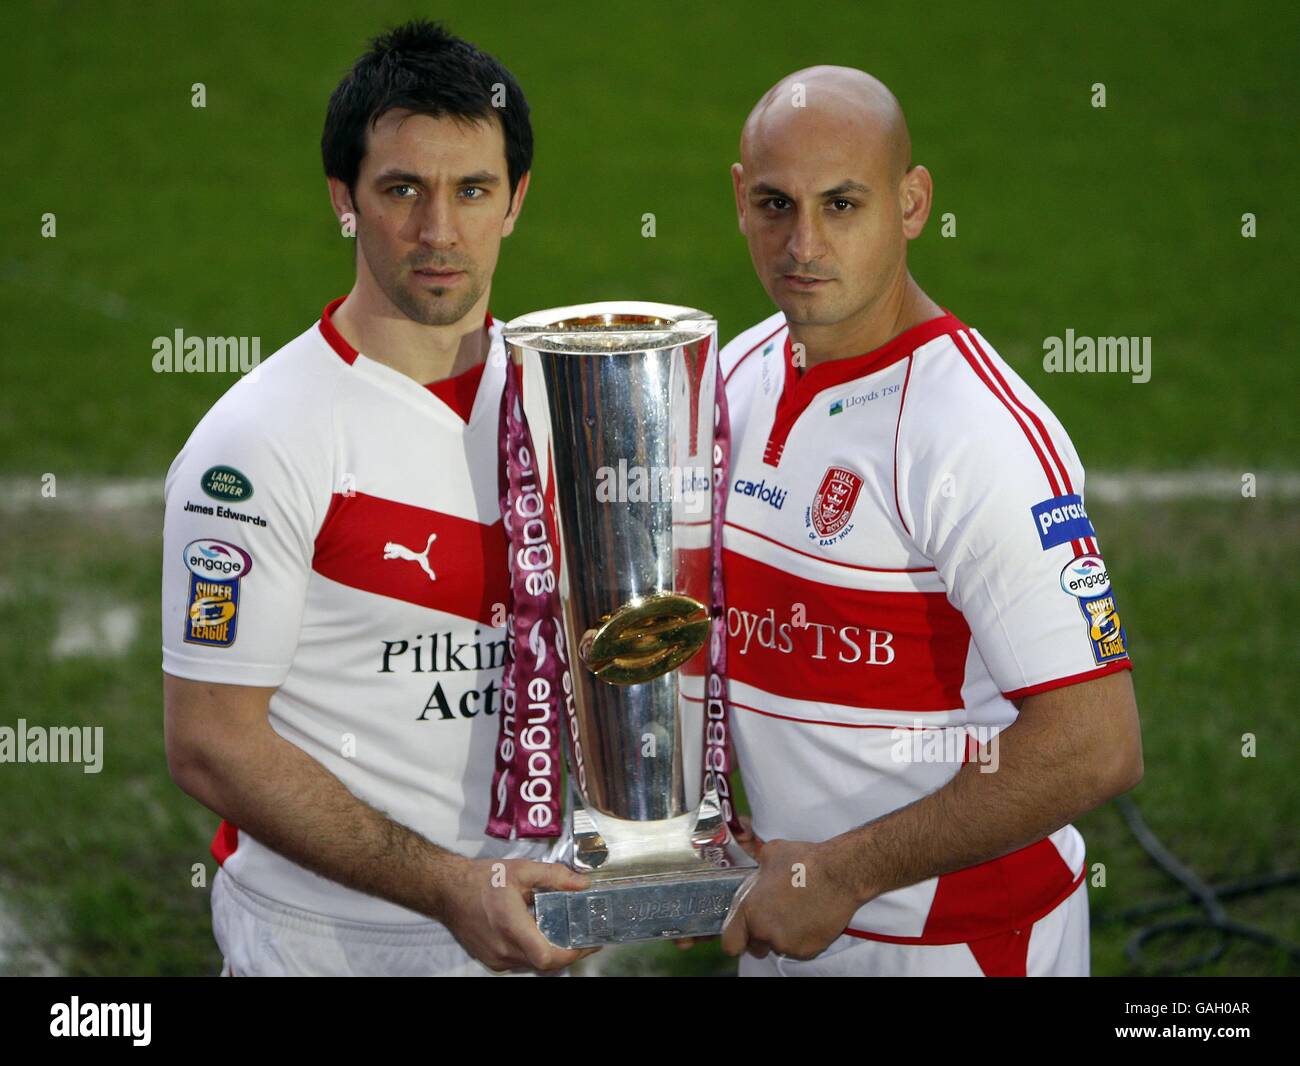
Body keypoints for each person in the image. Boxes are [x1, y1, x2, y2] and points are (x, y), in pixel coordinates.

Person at [161, 19, 591, 977]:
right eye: (402, 190)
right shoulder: (256, 442)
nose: (439, 231)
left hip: (537, 924)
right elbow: (209, 744)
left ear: (515, 200)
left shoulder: (573, 402)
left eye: (472, 190)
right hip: (324, 945)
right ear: (343, 201)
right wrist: (449, 885)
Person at [715, 66, 1142, 976]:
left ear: (912, 204)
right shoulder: (730, 375)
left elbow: (1096, 744)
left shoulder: (977, 436)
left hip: (957, 946)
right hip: (786, 917)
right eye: (774, 204)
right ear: (738, 200)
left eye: (842, 204)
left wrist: (844, 871)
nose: (804, 242)